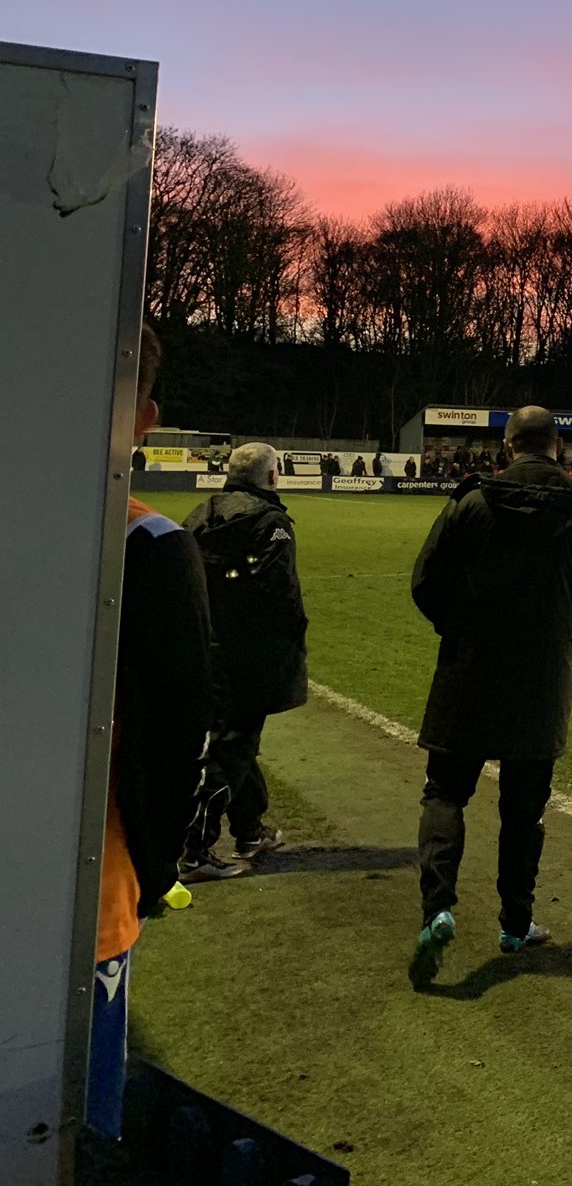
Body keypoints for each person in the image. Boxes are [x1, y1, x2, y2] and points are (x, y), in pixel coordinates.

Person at [406, 406, 572, 988]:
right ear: (558, 447)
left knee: (446, 792)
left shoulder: (469, 503)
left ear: (507, 448)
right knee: (523, 810)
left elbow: (425, 584)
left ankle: (439, 911)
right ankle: (515, 923)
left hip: (469, 672)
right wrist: (560, 636)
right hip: (541, 680)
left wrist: (462, 630)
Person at [96, 325, 214, 1137]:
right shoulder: (150, 544)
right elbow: (176, 736)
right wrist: (159, 863)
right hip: (88, 897)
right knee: (72, 1124)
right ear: (145, 419)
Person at [177, 442, 308, 882]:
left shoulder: (199, 515)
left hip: (205, 648)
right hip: (250, 655)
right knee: (232, 748)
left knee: (238, 742)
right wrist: (291, 638)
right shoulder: (271, 523)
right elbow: (279, 592)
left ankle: (251, 830)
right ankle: (195, 849)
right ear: (272, 477)